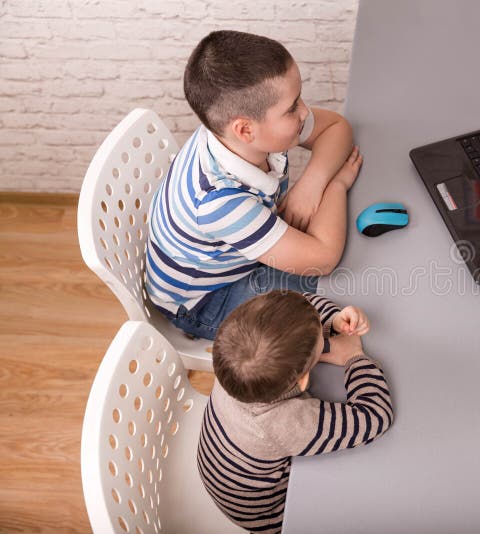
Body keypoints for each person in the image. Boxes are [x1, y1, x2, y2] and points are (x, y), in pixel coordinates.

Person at [145, 30, 362, 340]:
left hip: (232, 254)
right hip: (208, 300)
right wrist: (336, 184)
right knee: (338, 294)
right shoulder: (219, 203)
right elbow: (324, 260)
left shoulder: (241, 134)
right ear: (245, 129)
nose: (304, 112)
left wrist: (311, 184)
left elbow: (337, 127)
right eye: (292, 108)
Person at [198, 290, 393, 533]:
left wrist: (333, 321)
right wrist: (355, 357)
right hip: (271, 514)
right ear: (302, 381)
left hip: (224, 474)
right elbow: (375, 417)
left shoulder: (232, 358)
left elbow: (302, 302)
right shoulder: (282, 424)